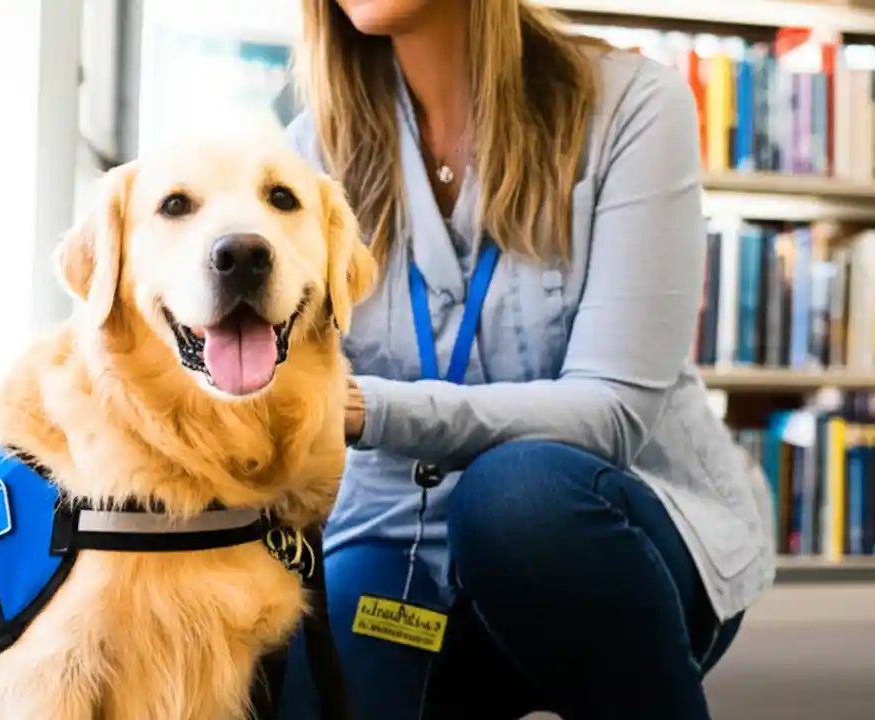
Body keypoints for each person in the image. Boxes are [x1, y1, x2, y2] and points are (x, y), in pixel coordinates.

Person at [275, 1, 776, 718]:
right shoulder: (307, 158)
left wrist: (369, 408)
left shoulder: (631, 105)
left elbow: (611, 413)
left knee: (517, 499)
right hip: (400, 540)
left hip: (601, 533)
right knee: (290, 642)